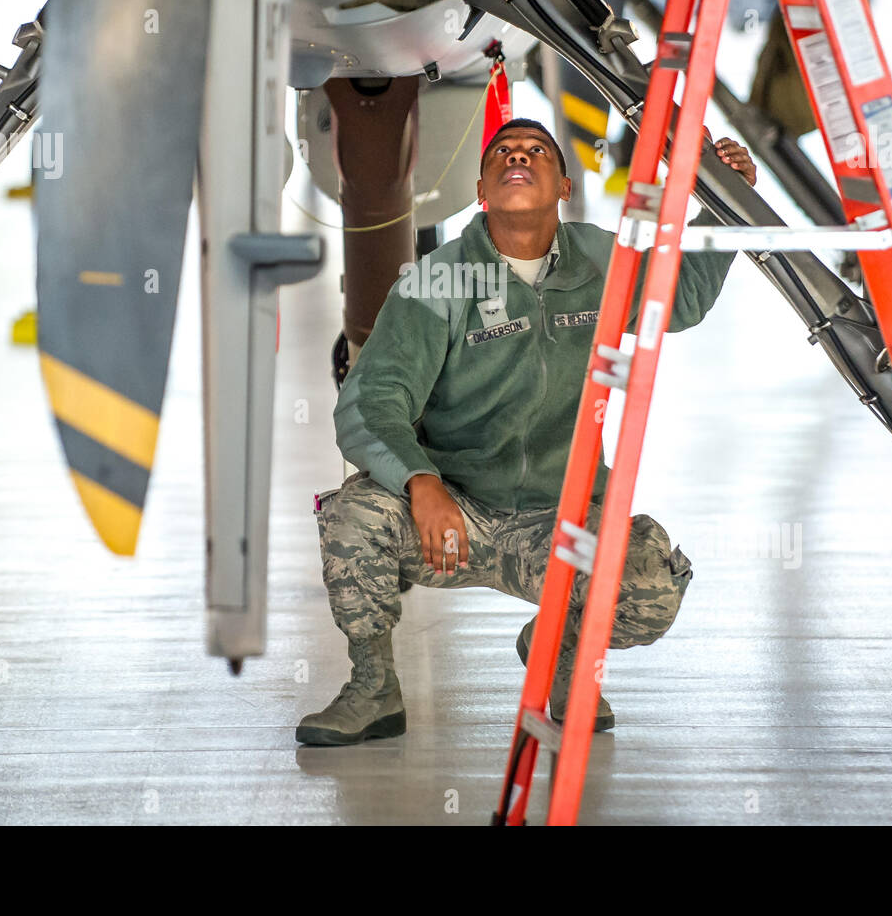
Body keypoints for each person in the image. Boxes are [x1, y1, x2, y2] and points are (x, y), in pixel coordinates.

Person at [296, 117, 756, 745]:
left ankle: (559, 654)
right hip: (453, 520)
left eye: (538, 150)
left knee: (649, 584)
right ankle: (373, 688)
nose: (520, 156)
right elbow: (371, 402)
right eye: (504, 152)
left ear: (564, 185)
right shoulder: (439, 280)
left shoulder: (599, 259)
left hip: (557, 524)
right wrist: (421, 482)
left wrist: (724, 204)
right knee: (356, 515)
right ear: (482, 189)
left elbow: (682, 296)